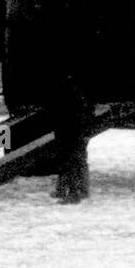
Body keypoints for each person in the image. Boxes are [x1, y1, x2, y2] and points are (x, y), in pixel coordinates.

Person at [52, 73, 91, 204]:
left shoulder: (64, 92)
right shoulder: (80, 92)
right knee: (78, 161)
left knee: (69, 162)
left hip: (69, 132)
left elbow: (61, 114)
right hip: (77, 131)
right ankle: (79, 190)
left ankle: (72, 193)